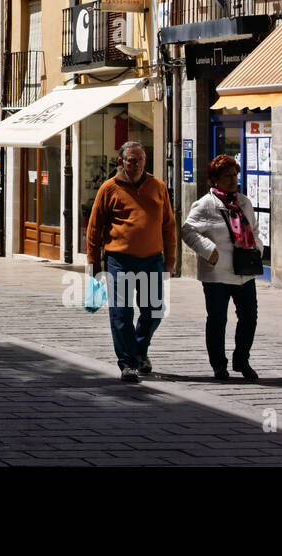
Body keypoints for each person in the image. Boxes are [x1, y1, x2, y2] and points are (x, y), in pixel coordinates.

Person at [85, 141, 177, 383]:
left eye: (140, 160)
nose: (136, 165)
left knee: (154, 311)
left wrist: (170, 260)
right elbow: (94, 229)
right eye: (131, 160)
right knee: (121, 313)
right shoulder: (109, 188)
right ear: (121, 162)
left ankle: (138, 350)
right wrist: (94, 265)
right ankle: (128, 364)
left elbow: (168, 225)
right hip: (119, 260)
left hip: (152, 260)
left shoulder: (158, 186)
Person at [181, 154, 264, 380]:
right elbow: (187, 230)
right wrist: (209, 250)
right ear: (214, 180)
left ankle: (242, 360)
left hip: (244, 271)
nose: (232, 180)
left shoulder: (244, 202)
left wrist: (257, 249)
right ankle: (219, 364)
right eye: (227, 176)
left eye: (235, 175)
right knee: (218, 320)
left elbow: (255, 230)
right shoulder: (205, 205)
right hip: (217, 273)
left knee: (249, 317)